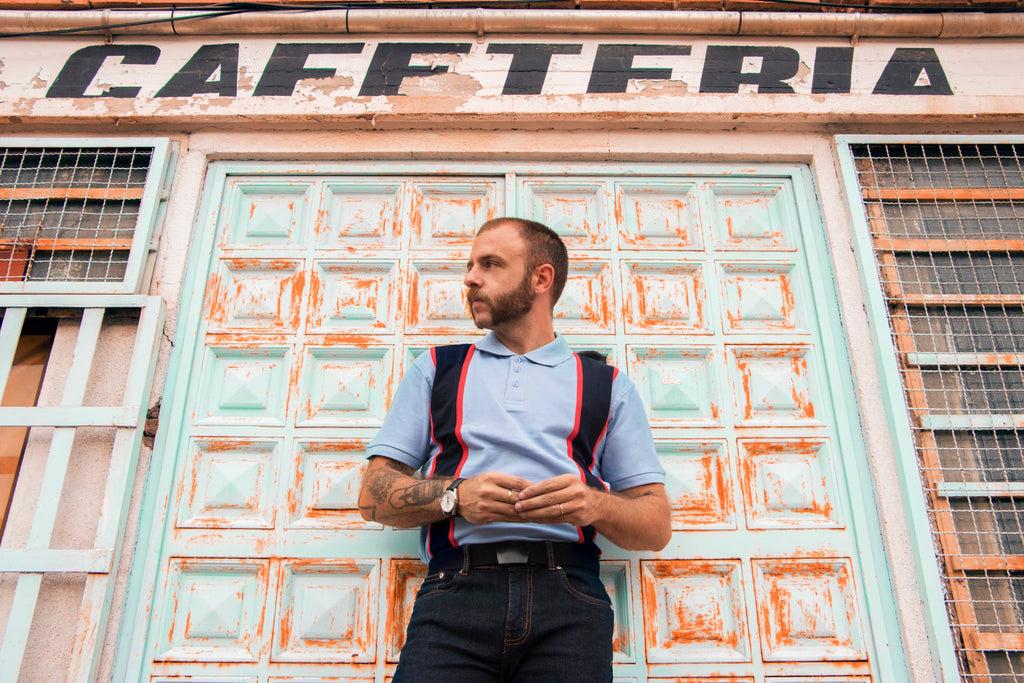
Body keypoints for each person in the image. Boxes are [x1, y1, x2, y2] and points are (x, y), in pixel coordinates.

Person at [358, 217, 670, 682]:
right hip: (453, 595)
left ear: (541, 279)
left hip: (570, 600)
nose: (470, 278)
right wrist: (456, 497)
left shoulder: (607, 386)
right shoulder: (438, 369)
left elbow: (656, 525)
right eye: (470, 265)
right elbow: (372, 495)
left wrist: (593, 504)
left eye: (490, 264)